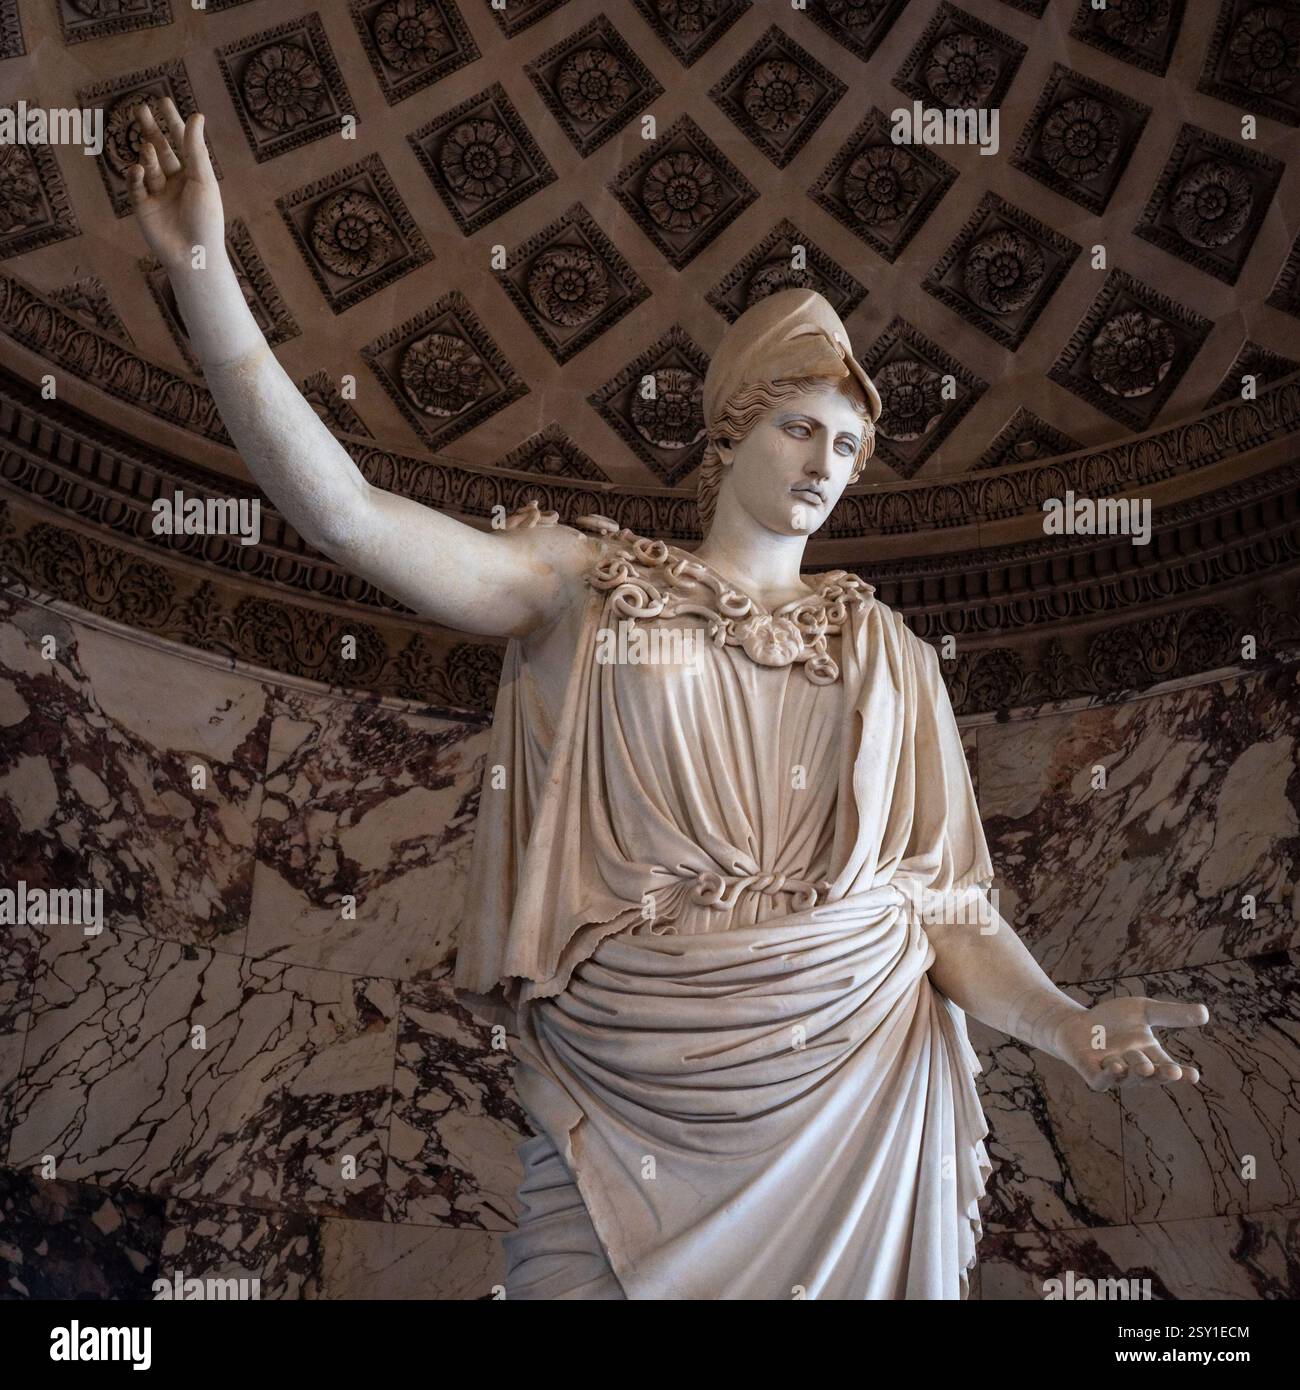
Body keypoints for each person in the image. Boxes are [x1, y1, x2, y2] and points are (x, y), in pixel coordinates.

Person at [126, 99, 1210, 1301]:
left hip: (854, 1082)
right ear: (731, 435)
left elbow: (944, 905)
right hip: (630, 1078)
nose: (824, 467)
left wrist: (1065, 1025)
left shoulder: (890, 652)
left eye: (848, 447)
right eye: (799, 429)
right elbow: (345, 516)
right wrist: (204, 274)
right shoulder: (587, 587)